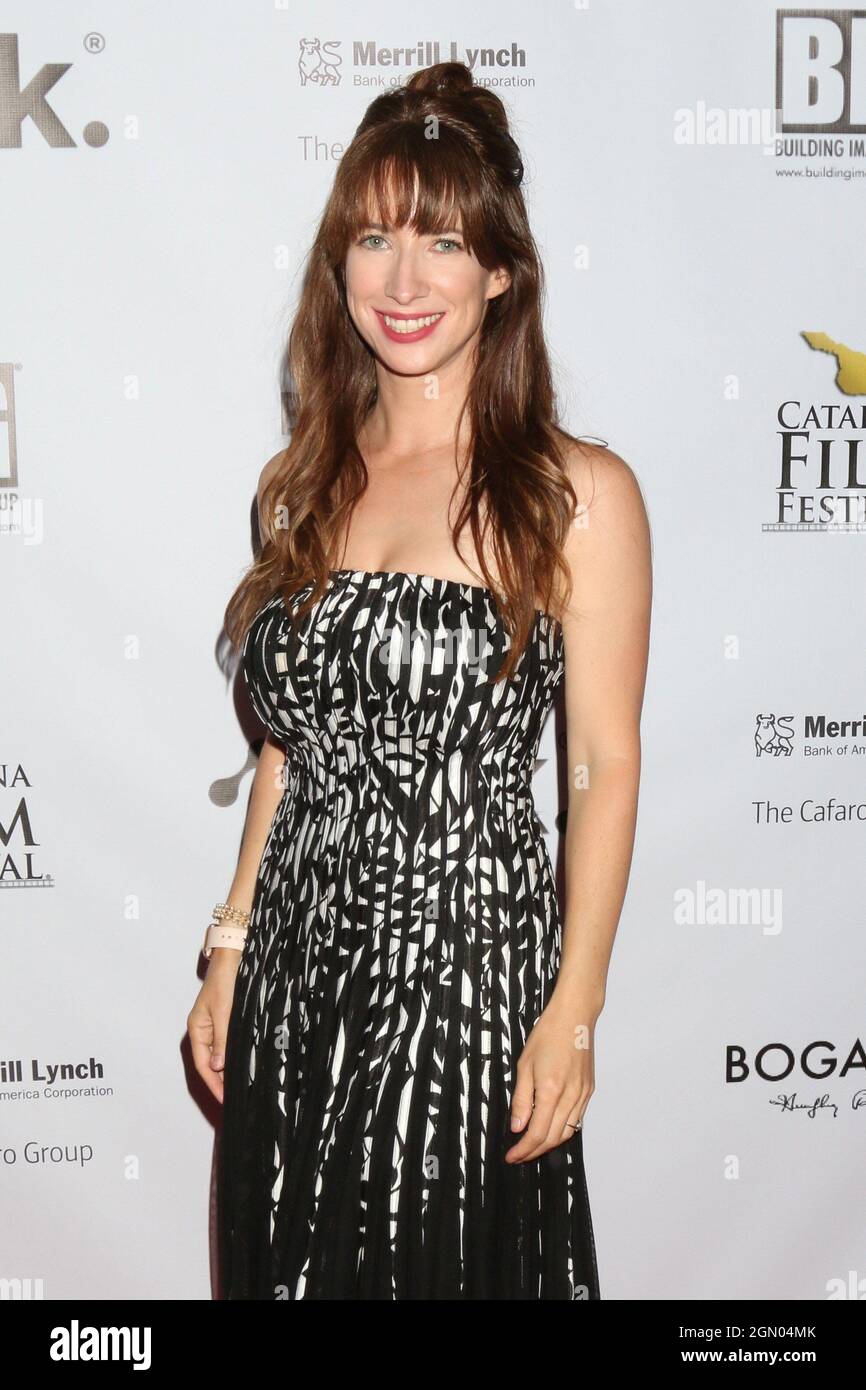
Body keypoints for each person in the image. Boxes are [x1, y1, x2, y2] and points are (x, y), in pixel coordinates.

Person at [187, 61, 652, 1300]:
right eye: (374, 237)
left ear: (499, 270)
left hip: (465, 982)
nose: (402, 280)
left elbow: (601, 765)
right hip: (296, 963)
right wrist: (231, 948)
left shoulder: (572, 495)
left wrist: (574, 1008)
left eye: (442, 240)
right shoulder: (303, 481)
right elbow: (292, 742)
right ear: (337, 261)